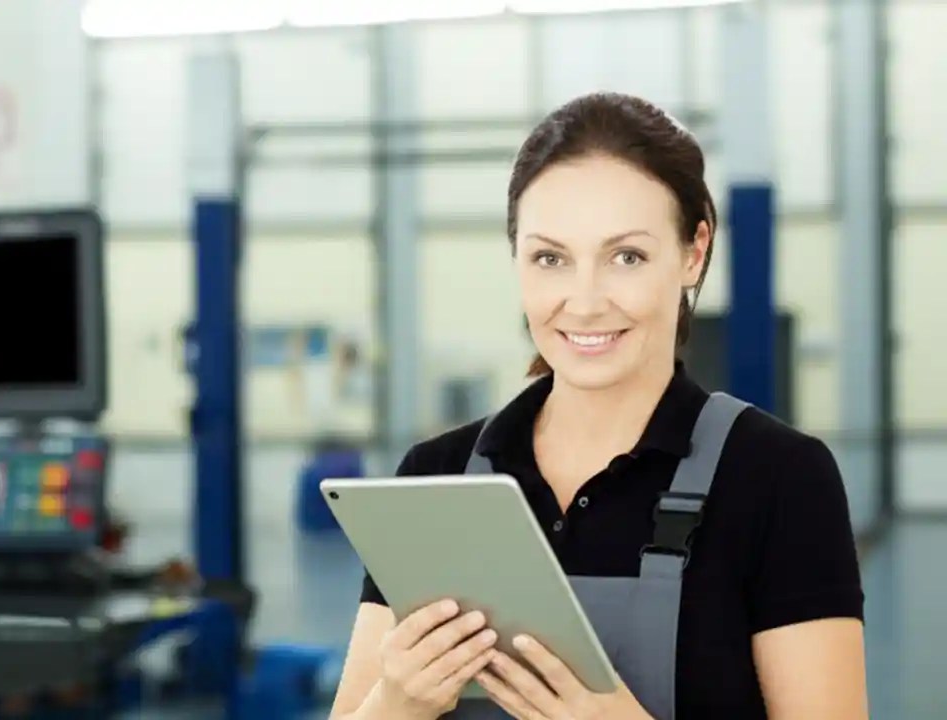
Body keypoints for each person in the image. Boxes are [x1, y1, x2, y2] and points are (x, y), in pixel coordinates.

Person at [327, 92, 868, 720]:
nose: (583, 302)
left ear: (693, 253)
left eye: (626, 257)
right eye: (550, 258)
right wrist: (397, 703)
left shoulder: (779, 478)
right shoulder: (432, 476)